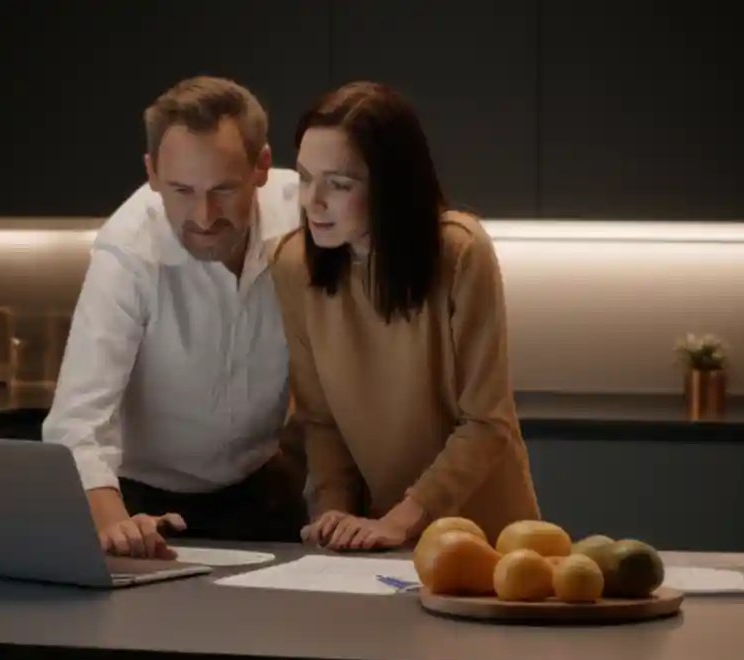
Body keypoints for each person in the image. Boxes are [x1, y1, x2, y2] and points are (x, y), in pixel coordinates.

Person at [42, 76, 308, 560]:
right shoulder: (126, 251)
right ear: (151, 173)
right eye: (182, 190)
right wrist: (114, 526)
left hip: (264, 486)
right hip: (147, 505)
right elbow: (77, 422)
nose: (203, 215)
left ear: (262, 168)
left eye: (224, 189)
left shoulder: (303, 214)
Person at [270, 80, 541, 552]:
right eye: (305, 177)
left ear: (390, 186)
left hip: (485, 536)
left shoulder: (460, 252)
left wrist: (402, 518)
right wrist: (333, 512)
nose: (312, 201)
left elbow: (485, 422)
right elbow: (320, 420)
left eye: (339, 184)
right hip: (380, 541)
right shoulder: (293, 264)